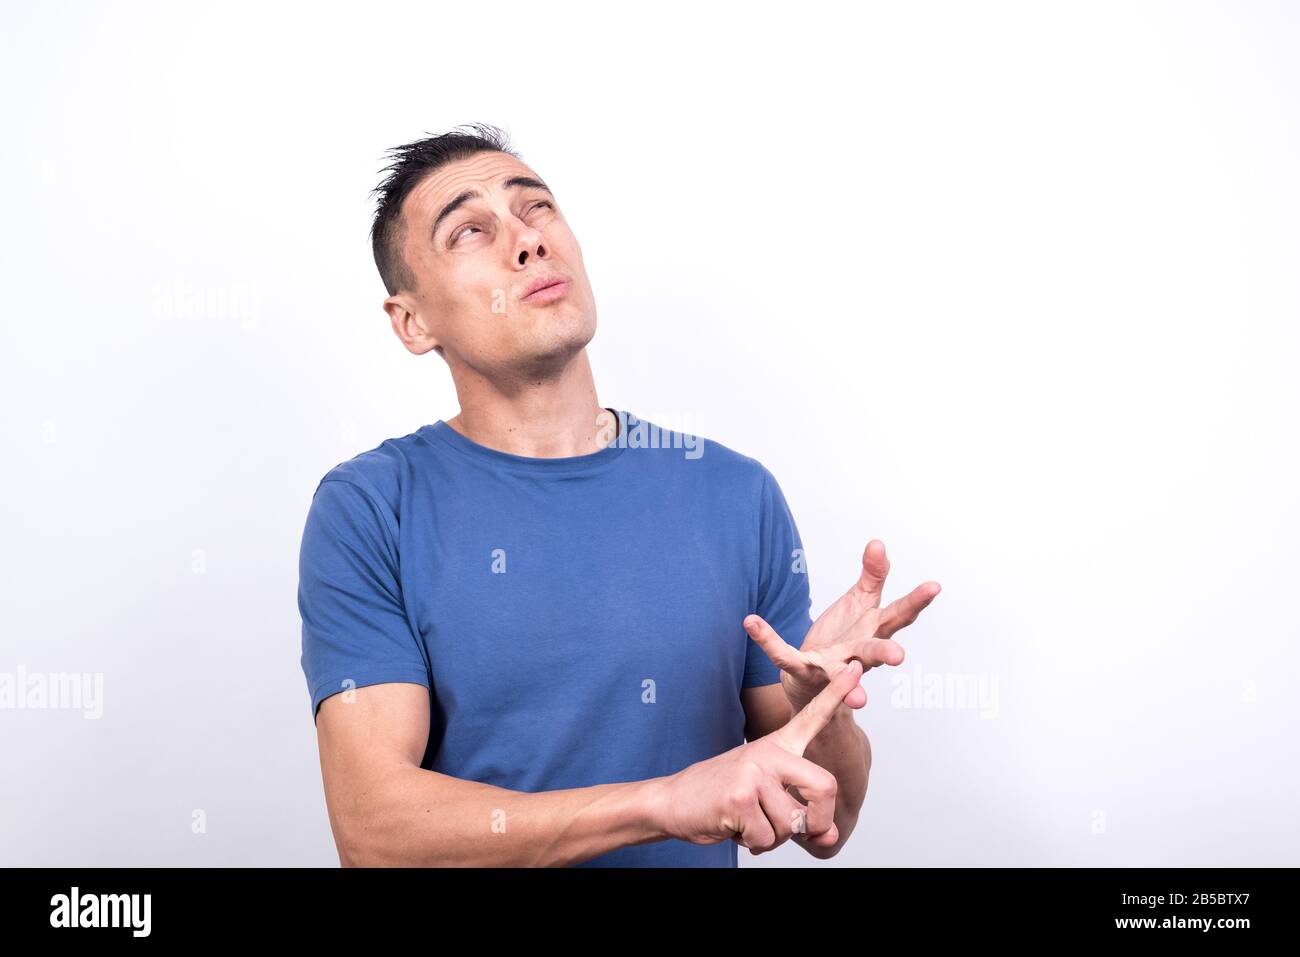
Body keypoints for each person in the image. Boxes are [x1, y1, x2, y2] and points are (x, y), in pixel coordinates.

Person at [297, 123, 941, 866]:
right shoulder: (371, 508)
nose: (527, 240)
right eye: (471, 231)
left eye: (536, 209)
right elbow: (375, 830)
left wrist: (818, 709)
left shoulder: (735, 492)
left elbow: (827, 820)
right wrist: (663, 800)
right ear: (412, 322)